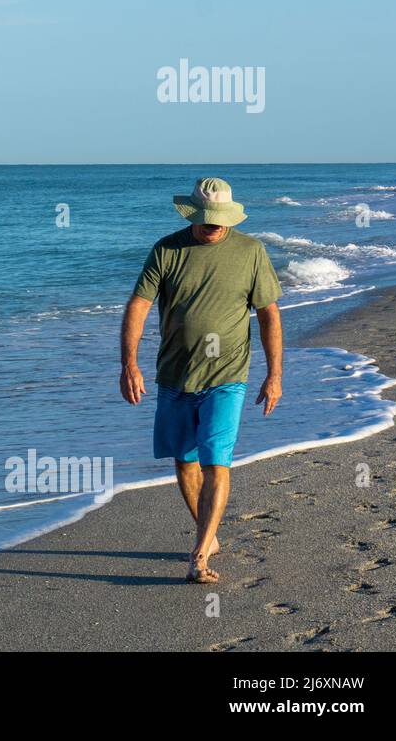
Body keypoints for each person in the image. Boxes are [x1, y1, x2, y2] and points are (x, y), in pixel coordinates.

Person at [119, 177, 283, 583]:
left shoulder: (251, 252)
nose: (214, 226)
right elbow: (138, 306)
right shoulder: (167, 250)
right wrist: (129, 364)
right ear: (193, 214)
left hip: (227, 375)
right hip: (174, 375)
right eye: (207, 219)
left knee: (216, 461)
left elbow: (269, 314)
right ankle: (208, 534)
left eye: (220, 219)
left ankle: (199, 556)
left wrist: (274, 374)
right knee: (184, 459)